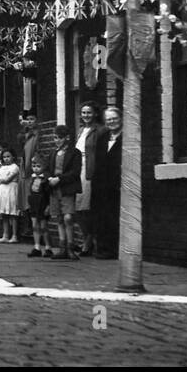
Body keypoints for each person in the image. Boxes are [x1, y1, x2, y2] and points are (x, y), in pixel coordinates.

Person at [74, 103, 105, 256]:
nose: (86, 115)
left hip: (89, 170)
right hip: (77, 169)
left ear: (95, 114)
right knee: (77, 207)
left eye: (89, 113)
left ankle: (89, 240)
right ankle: (86, 237)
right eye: (83, 112)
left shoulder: (100, 130)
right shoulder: (80, 130)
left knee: (86, 207)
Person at [92, 107, 123, 260]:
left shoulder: (126, 137)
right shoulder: (103, 137)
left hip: (118, 185)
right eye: (108, 119)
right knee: (102, 217)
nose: (111, 122)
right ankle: (103, 248)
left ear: (121, 119)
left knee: (114, 217)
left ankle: (114, 249)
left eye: (114, 118)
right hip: (102, 185)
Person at [46, 125, 81, 261]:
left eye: (60, 138)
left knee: (68, 217)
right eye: (55, 138)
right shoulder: (53, 153)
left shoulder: (74, 153)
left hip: (67, 188)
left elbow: (75, 172)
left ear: (67, 138)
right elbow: (47, 168)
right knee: (59, 218)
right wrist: (49, 177)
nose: (57, 141)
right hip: (54, 190)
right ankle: (62, 248)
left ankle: (71, 248)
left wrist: (59, 179)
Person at [17, 111, 40, 240]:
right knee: (25, 199)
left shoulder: (37, 134)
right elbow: (20, 141)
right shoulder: (26, 134)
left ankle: (33, 228)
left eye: (32, 119)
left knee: (31, 198)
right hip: (24, 169)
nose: (30, 122)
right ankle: (29, 227)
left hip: (32, 170)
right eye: (28, 120)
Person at [0, 149, 21, 242]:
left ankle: (15, 235)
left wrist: (1, 179)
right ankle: (5, 235)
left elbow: (7, 179)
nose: (6, 159)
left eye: (8, 156)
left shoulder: (15, 167)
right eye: (4, 157)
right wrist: (0, 179)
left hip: (11, 189)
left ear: (13, 157)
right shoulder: (3, 168)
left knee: (13, 213)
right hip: (2, 190)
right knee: (4, 213)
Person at [25, 157, 52, 258]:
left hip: (42, 204)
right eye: (34, 166)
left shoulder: (45, 179)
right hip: (34, 204)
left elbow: (48, 194)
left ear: (43, 167)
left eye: (38, 166)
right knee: (35, 225)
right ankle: (37, 247)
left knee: (43, 227)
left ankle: (48, 247)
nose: (36, 168)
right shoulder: (32, 178)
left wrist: (48, 206)